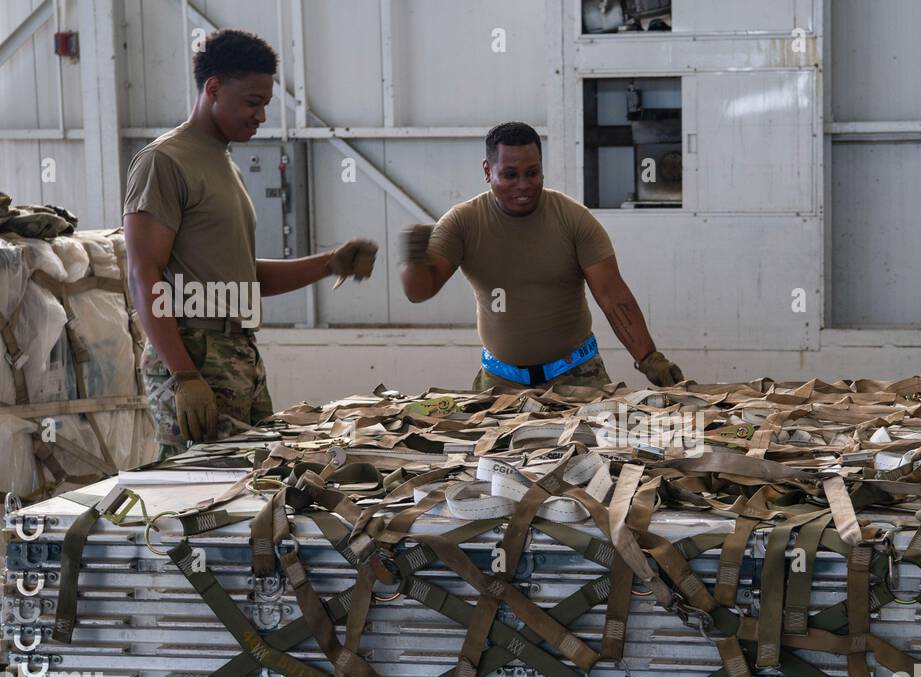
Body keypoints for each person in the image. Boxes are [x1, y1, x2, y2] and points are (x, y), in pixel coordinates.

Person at [124, 29, 377, 458]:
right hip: (195, 353)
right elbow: (143, 273)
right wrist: (183, 374)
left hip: (237, 353)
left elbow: (245, 276)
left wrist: (331, 263)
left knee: (252, 488)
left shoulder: (225, 166)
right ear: (214, 88)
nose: (261, 116)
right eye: (252, 102)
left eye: (266, 104)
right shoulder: (164, 162)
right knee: (198, 500)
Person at [399, 122, 683, 391]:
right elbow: (419, 292)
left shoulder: (573, 219)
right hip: (500, 383)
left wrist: (649, 359)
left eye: (532, 173)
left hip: (578, 377)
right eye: (510, 174)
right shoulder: (462, 223)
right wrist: (414, 258)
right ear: (487, 170)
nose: (523, 185)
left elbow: (612, 296)